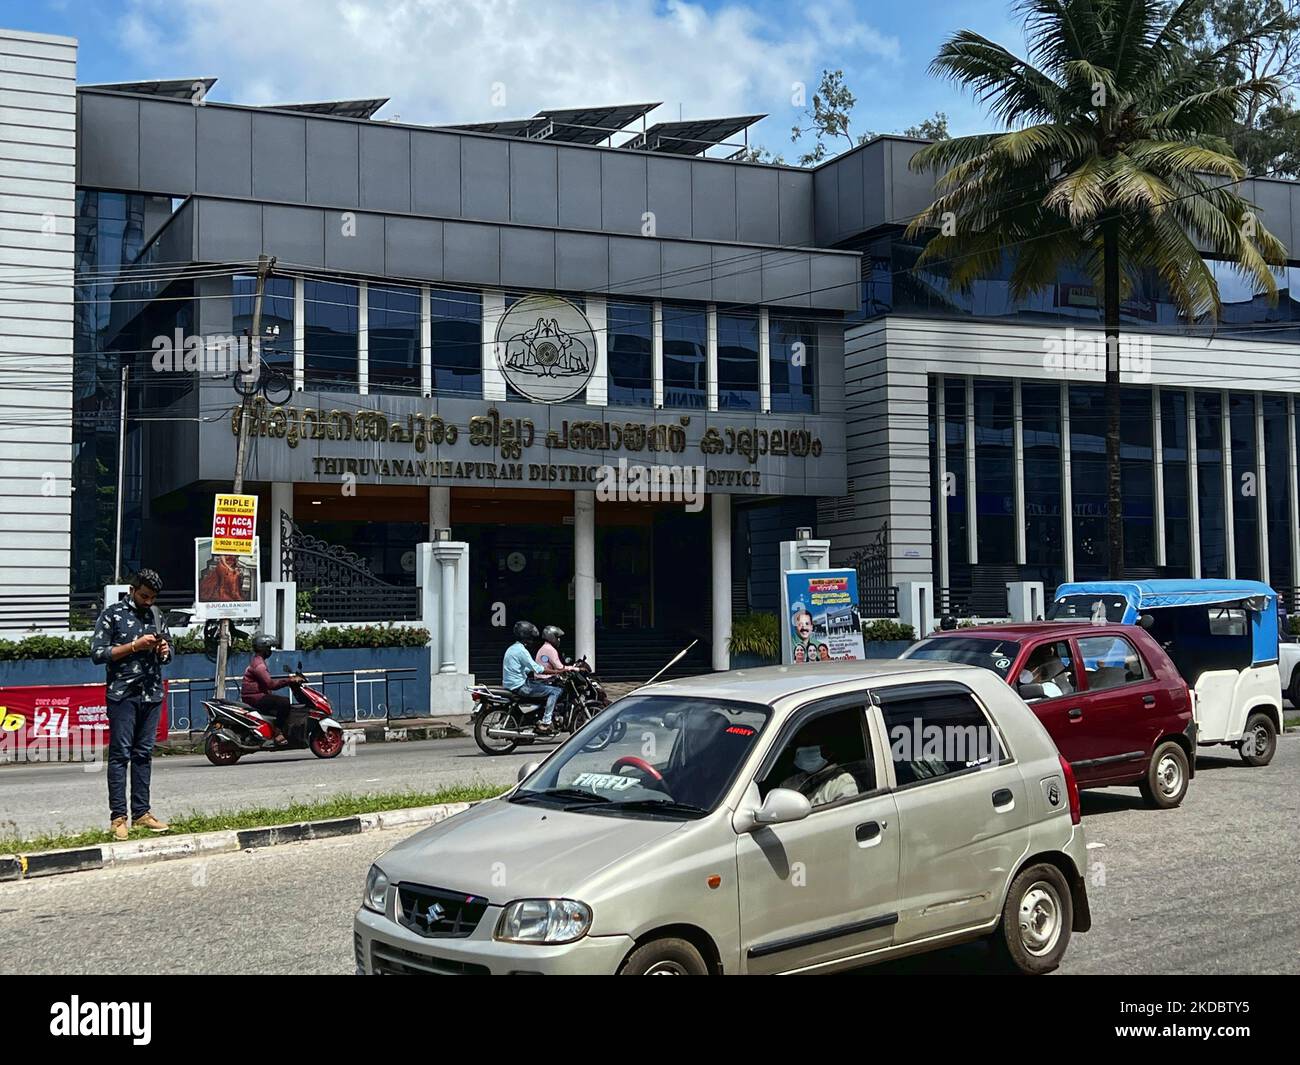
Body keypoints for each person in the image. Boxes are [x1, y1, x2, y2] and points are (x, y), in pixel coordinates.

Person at [89, 568, 172, 841]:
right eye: (145, 596)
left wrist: (164, 650)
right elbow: (98, 653)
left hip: (151, 694)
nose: (148, 602)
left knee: (143, 754)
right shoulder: (112, 614)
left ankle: (141, 813)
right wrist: (134, 646)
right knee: (119, 755)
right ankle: (118, 818)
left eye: (153, 598)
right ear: (133, 590)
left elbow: (169, 652)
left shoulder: (157, 616)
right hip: (123, 694)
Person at [241, 633, 302, 745]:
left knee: (276, 703)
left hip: (253, 696)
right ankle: (278, 733)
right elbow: (270, 684)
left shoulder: (257, 661)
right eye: (268, 648)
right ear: (263, 648)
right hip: (255, 697)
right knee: (284, 702)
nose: (270, 651)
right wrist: (290, 681)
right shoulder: (259, 665)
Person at [503, 620, 560, 735]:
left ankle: (535, 718)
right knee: (555, 691)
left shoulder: (512, 648)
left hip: (512, 684)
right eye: (531, 637)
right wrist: (557, 672)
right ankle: (546, 722)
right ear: (526, 636)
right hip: (520, 686)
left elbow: (523, 668)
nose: (532, 641)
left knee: (539, 686)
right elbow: (537, 669)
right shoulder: (521, 651)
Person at [780, 742, 858, 807]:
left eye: (809, 745)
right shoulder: (789, 784)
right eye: (800, 744)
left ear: (828, 751)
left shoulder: (843, 783)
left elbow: (844, 819)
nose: (801, 750)